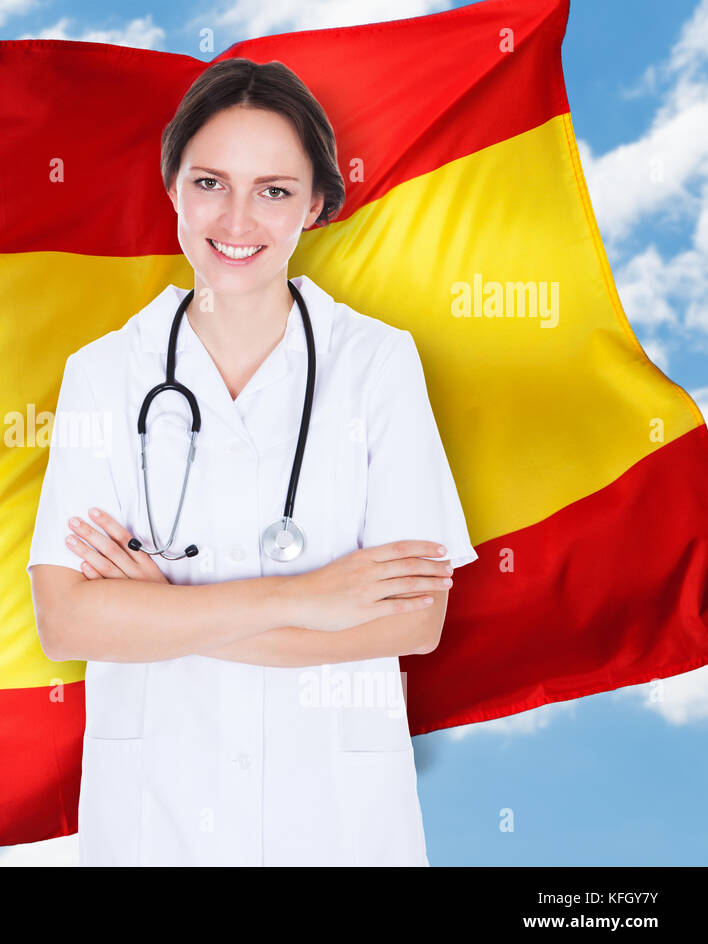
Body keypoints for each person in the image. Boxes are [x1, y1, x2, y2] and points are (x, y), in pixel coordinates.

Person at [26, 58, 478, 866]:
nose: (237, 218)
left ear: (313, 205)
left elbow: (415, 618)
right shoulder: (105, 372)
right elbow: (67, 621)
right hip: (156, 814)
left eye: (273, 190)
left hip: (339, 820)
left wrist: (165, 614)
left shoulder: (377, 363)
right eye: (210, 183)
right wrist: (310, 599)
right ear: (171, 188)